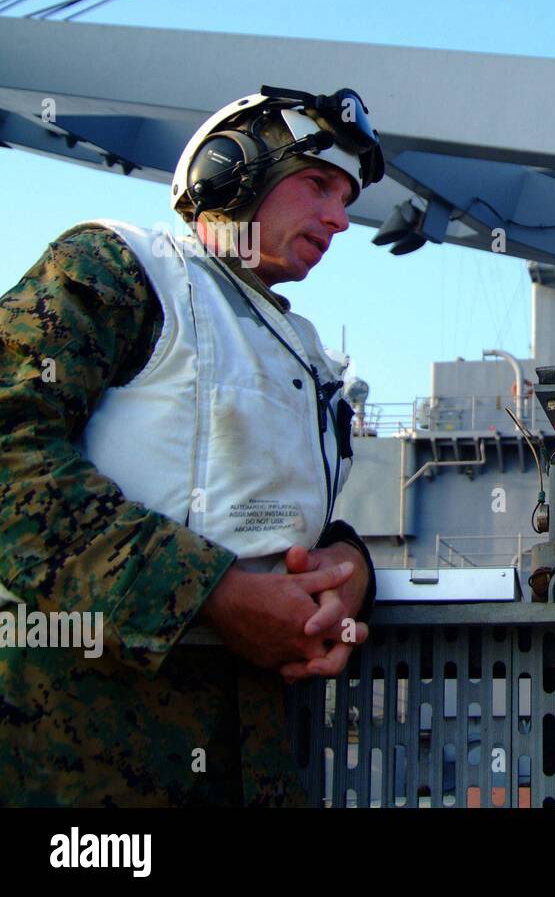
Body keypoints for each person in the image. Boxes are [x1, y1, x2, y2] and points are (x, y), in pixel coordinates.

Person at [0, 85, 386, 805]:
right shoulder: (118, 266)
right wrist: (210, 592)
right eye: (317, 183)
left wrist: (351, 568)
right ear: (228, 171)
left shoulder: (301, 350)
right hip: (84, 757)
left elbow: (267, 518)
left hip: (257, 751)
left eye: (346, 197)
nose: (339, 217)